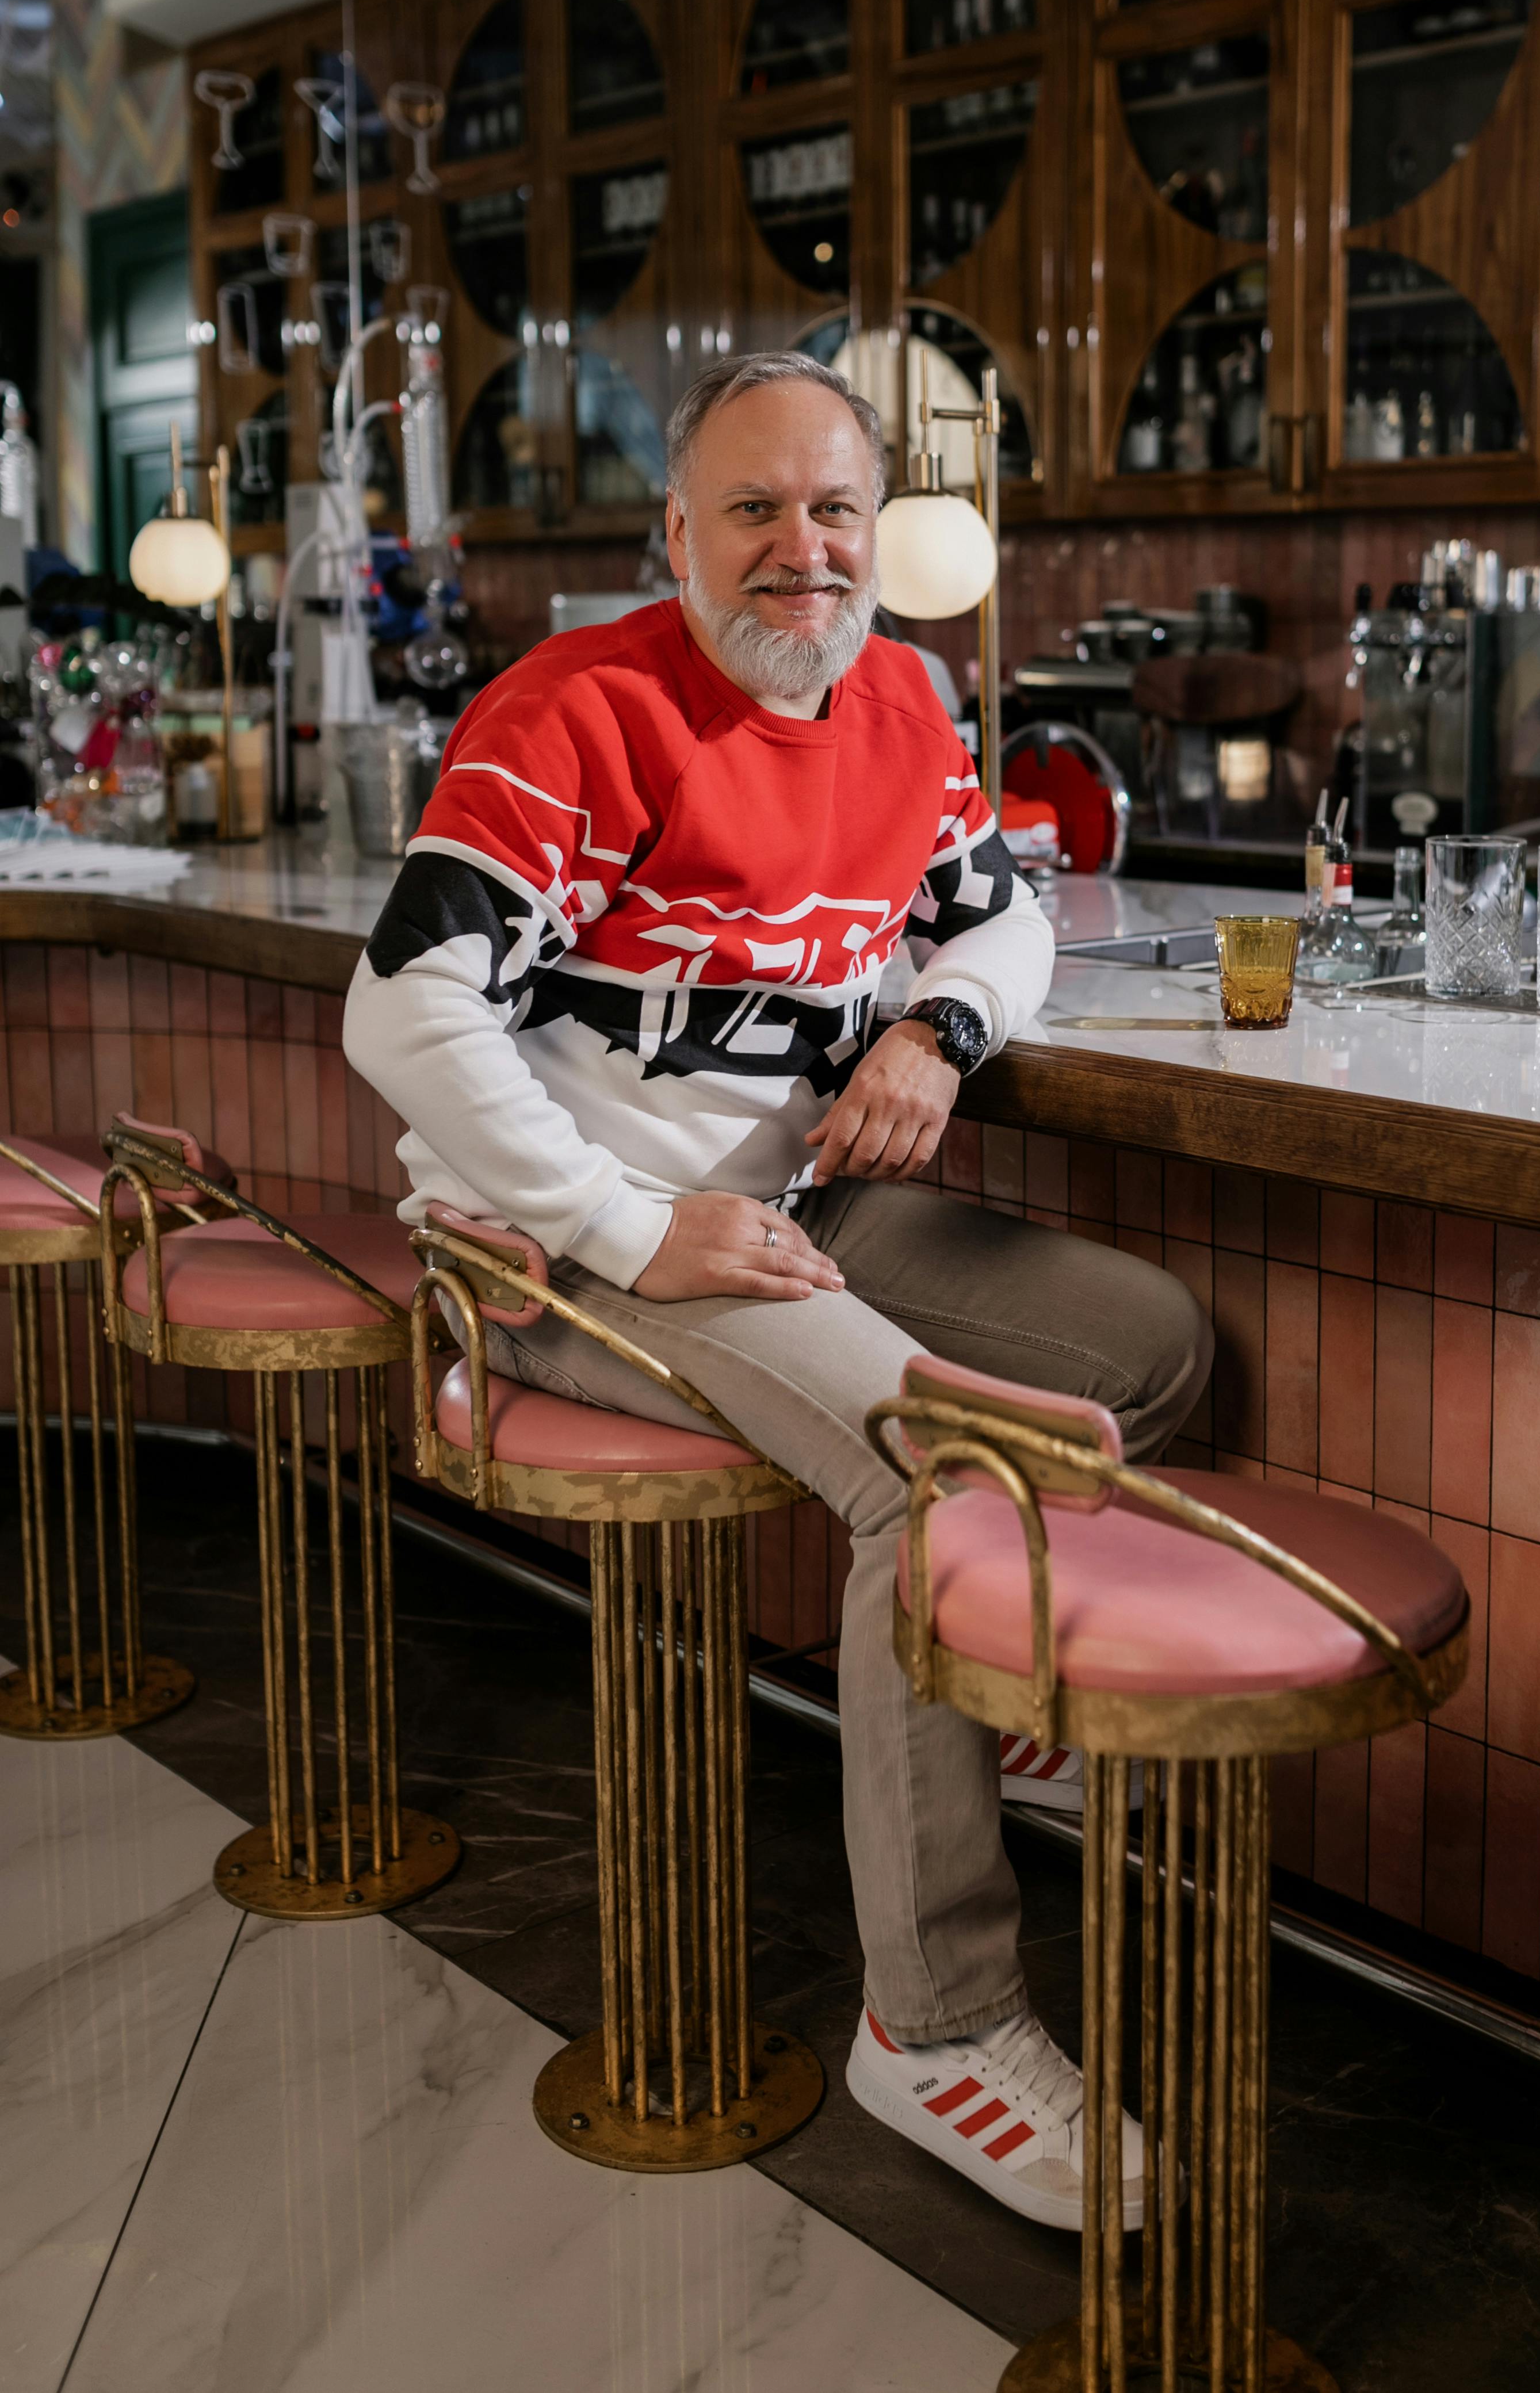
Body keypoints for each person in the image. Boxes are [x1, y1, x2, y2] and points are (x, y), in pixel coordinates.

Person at [345, 350, 1213, 2230]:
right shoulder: (571, 707)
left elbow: (993, 909)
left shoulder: (905, 695)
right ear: (679, 533)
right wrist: (617, 1219)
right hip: (568, 1239)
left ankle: (985, 1711)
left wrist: (939, 1033)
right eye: (754, 510)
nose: (800, 551)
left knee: (1152, 1351)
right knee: (935, 1462)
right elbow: (401, 1001)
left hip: (794, 1204)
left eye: (834, 511)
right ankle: (942, 2019)